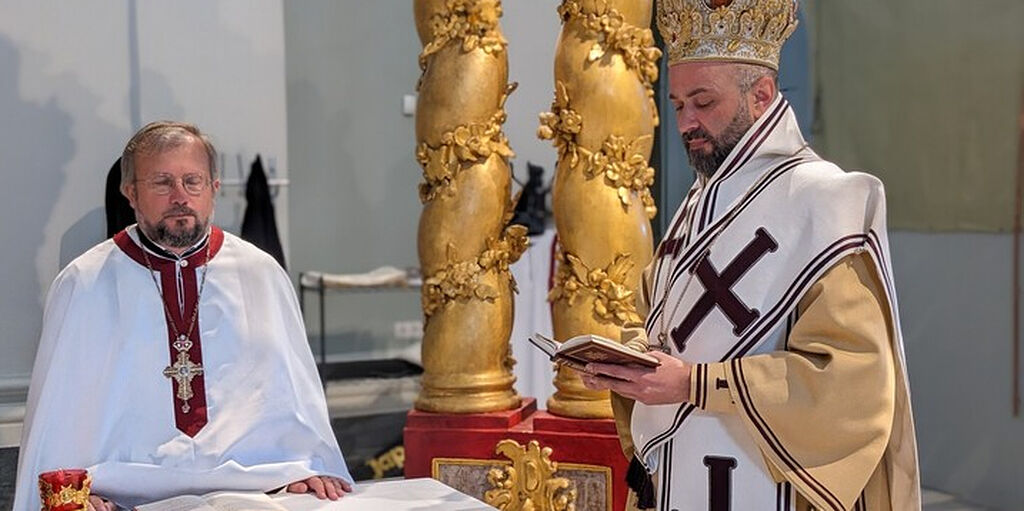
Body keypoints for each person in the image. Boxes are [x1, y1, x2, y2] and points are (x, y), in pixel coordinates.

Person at [580, 1, 920, 509]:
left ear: (761, 95)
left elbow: (849, 385)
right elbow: (659, 322)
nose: (686, 122)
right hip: (675, 476)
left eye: (703, 101)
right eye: (676, 105)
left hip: (766, 482)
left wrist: (695, 384)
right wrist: (627, 364)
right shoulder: (697, 204)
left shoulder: (824, 202)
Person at [14, 121, 353, 510]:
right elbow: (61, 413)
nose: (180, 197)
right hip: (124, 493)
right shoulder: (84, 282)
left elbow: (293, 395)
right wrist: (73, 491)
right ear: (131, 193)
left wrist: (307, 462)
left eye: (193, 181)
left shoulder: (260, 273)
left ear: (214, 188)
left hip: (253, 486)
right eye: (162, 183)